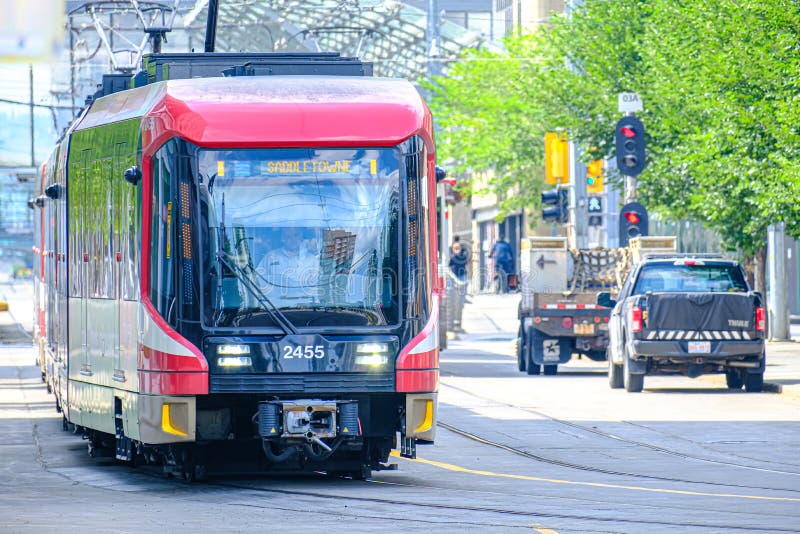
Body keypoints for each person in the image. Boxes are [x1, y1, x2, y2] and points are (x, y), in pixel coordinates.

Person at [256, 227, 319, 300]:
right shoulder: (270, 257)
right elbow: (258, 281)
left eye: (296, 235)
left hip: (305, 306)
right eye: (288, 236)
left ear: (301, 237)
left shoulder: (311, 260)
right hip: (276, 306)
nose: (292, 239)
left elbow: (316, 287)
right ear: (282, 238)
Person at [448, 242, 469, 331]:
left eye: (458, 248)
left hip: (462, 278)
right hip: (454, 279)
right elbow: (449, 267)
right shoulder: (452, 258)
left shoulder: (462, 257)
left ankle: (458, 324)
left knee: (460, 302)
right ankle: (454, 324)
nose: (456, 250)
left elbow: (467, 262)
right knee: (454, 303)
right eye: (454, 248)